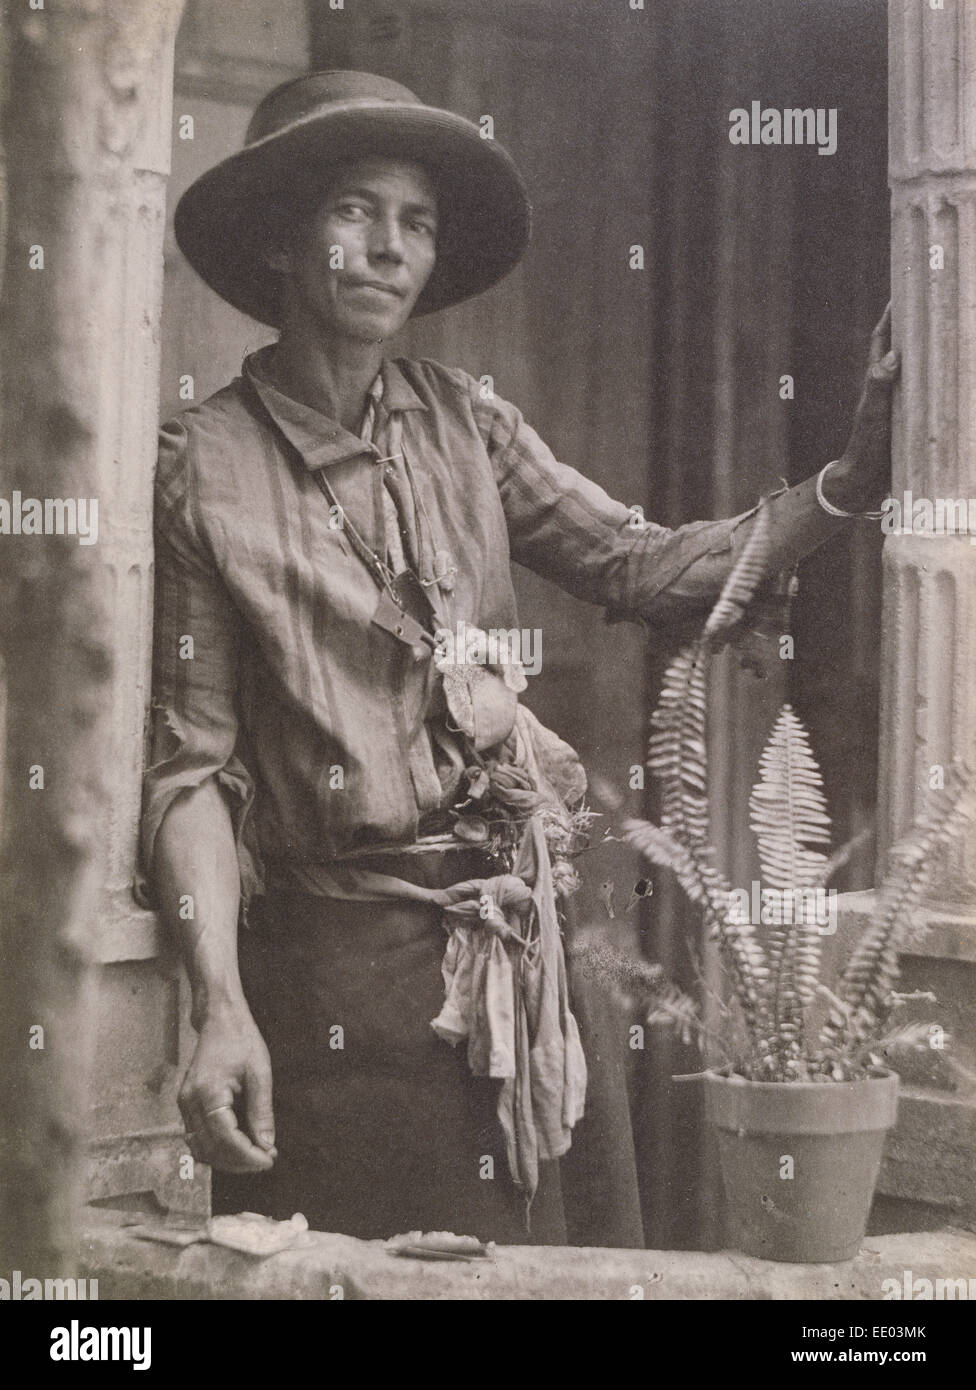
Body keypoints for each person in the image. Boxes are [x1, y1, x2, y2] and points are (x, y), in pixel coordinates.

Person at [135, 70, 898, 1247]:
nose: (390, 247)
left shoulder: (466, 423)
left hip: (520, 949)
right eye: (353, 208)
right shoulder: (204, 466)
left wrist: (846, 482)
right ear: (281, 238)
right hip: (342, 990)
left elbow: (645, 564)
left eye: (418, 221)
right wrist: (218, 1008)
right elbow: (190, 769)